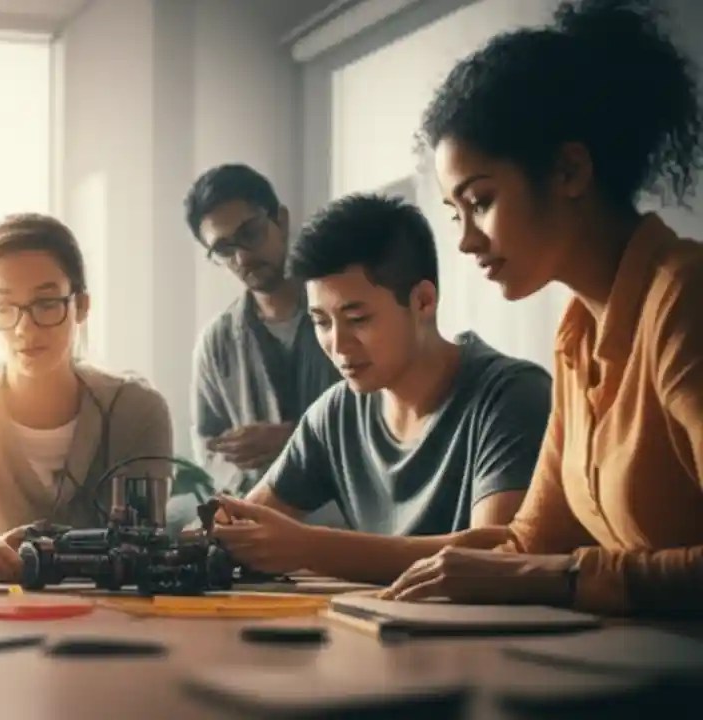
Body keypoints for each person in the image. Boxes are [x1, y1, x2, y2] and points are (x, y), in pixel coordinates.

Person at [383, 0, 703, 616]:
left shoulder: (684, 302)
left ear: (569, 169)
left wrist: (560, 578)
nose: (466, 240)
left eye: (479, 201)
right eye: (455, 213)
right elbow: (533, 541)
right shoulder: (578, 333)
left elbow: (545, 565)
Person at [213, 194, 552, 585]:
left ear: (423, 301)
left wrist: (309, 548)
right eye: (321, 322)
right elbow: (241, 521)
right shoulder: (335, 414)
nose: (338, 346)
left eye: (357, 319)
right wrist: (201, 533)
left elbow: (496, 557)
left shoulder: (511, 397)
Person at [0, 213, 173, 581]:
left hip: (112, 617)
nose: (24, 328)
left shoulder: (135, 408)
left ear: (81, 306)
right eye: (3, 307)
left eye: (46, 304)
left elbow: (144, 547)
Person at [184, 165, 338, 496]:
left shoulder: (344, 312)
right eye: (223, 249)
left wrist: (295, 439)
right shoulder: (215, 344)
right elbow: (209, 451)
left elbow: (387, 418)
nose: (242, 257)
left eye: (250, 233)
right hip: (260, 519)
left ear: (280, 220)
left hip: (351, 518)